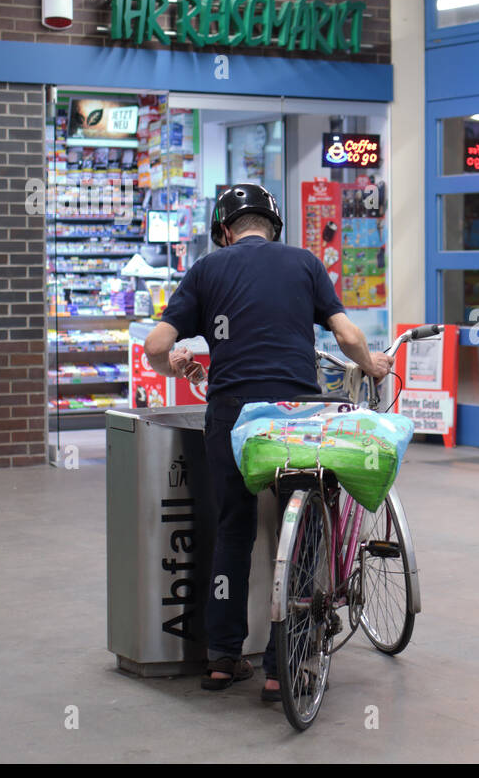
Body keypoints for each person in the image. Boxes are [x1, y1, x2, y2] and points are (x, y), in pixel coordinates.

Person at [143, 184, 392, 701]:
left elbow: (156, 346)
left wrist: (174, 365)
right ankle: (285, 666)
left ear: (226, 232)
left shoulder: (207, 271)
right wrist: (372, 365)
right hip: (295, 418)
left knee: (233, 528)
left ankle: (222, 658)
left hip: (234, 417)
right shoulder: (304, 264)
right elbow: (346, 336)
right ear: (272, 227)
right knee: (300, 532)